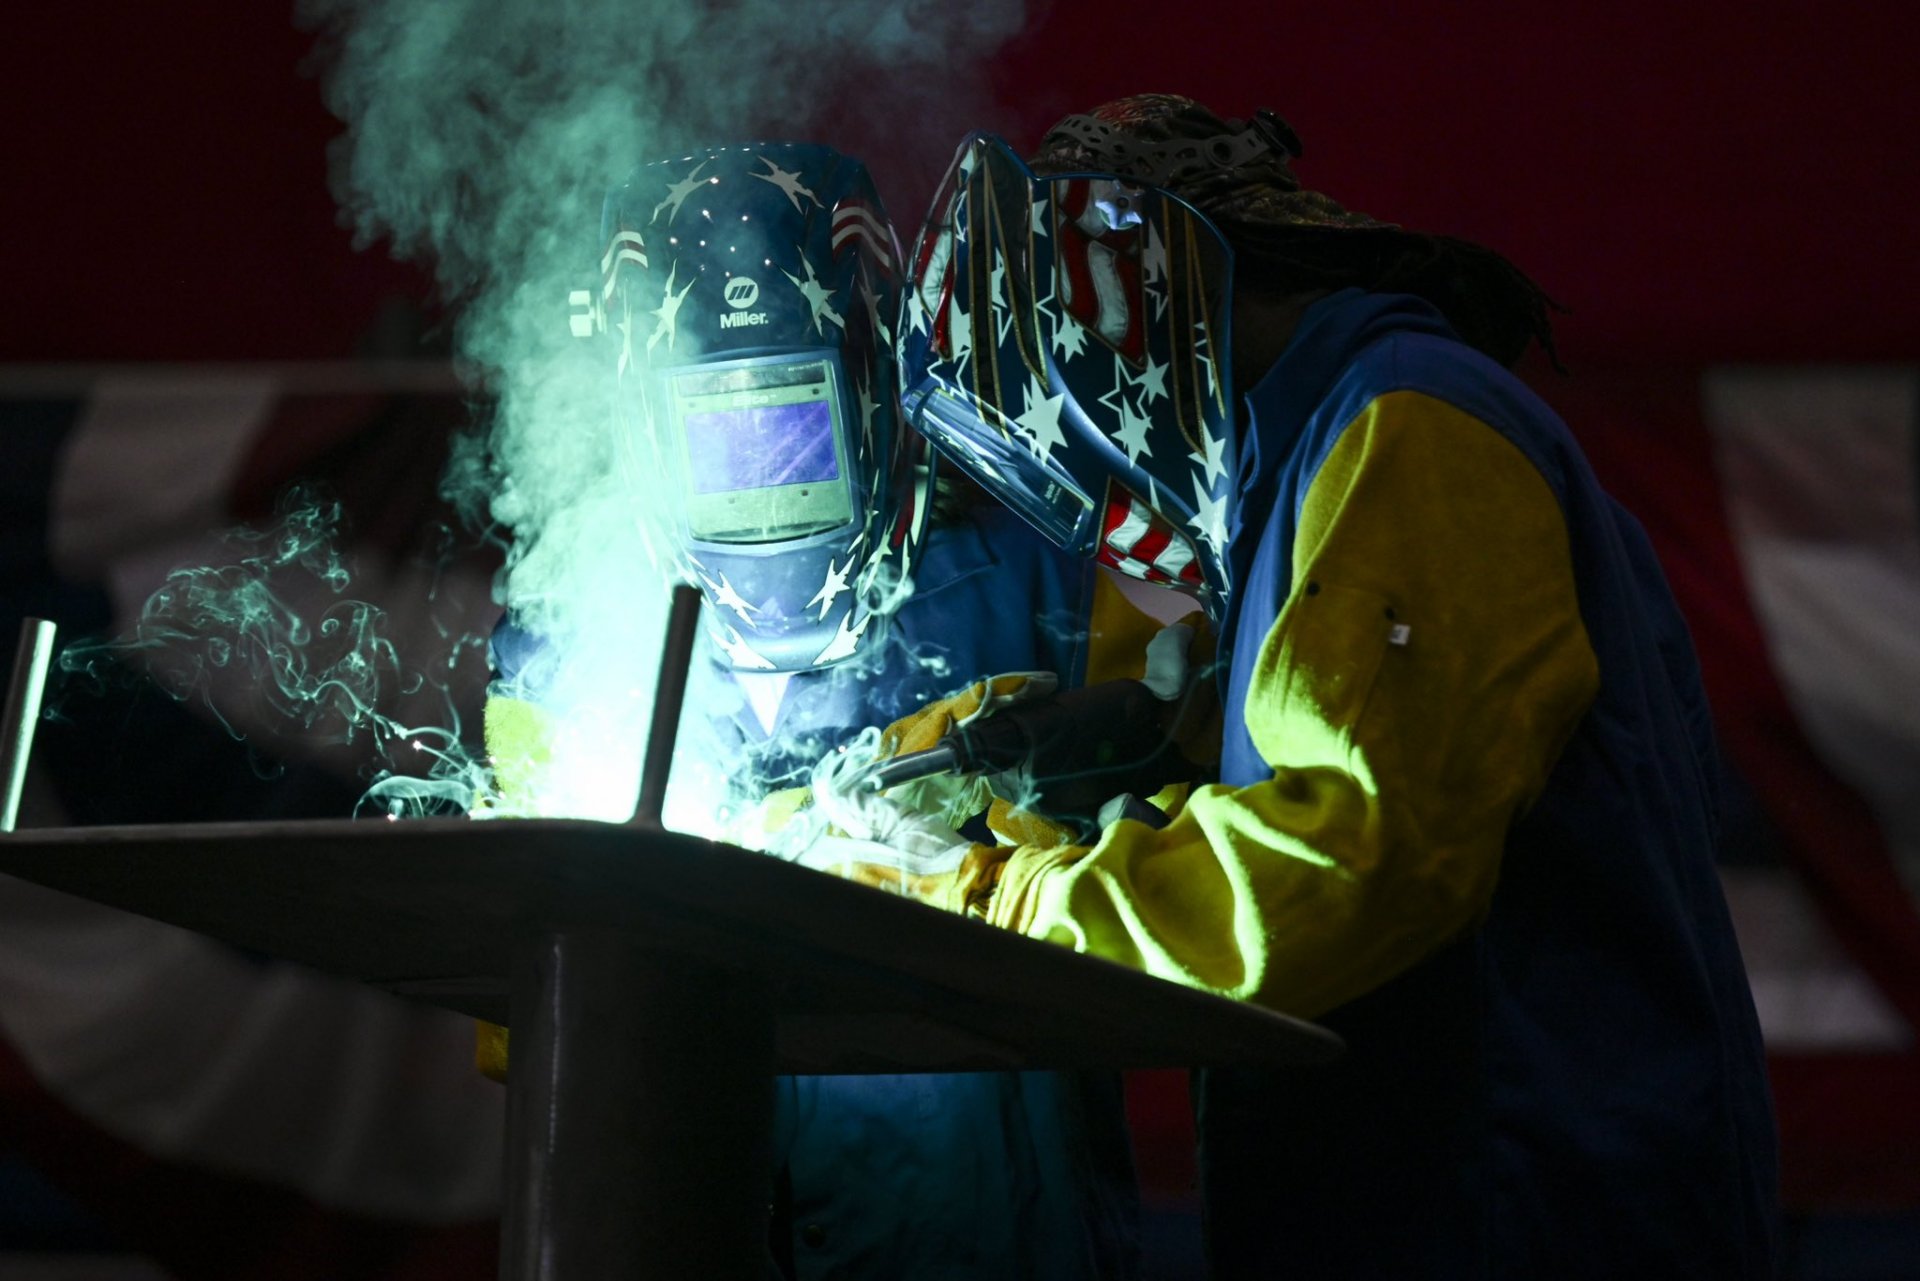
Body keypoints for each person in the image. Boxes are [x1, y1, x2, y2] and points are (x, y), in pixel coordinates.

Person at [845, 94, 1778, 1278]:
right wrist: (1133, 745)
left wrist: (1000, 903)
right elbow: (1386, 753)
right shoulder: (1333, 449)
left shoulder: (1410, 430)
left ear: (1149, 289)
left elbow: (1347, 855)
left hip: (1518, 1217)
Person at [480, 142, 1146, 1279]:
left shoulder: (1059, 582)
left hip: (991, 1242)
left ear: (878, 368)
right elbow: (524, 1022)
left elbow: (1180, 907)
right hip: (686, 1218)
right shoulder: (563, 639)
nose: (761, 480)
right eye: (717, 431)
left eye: (794, 417)